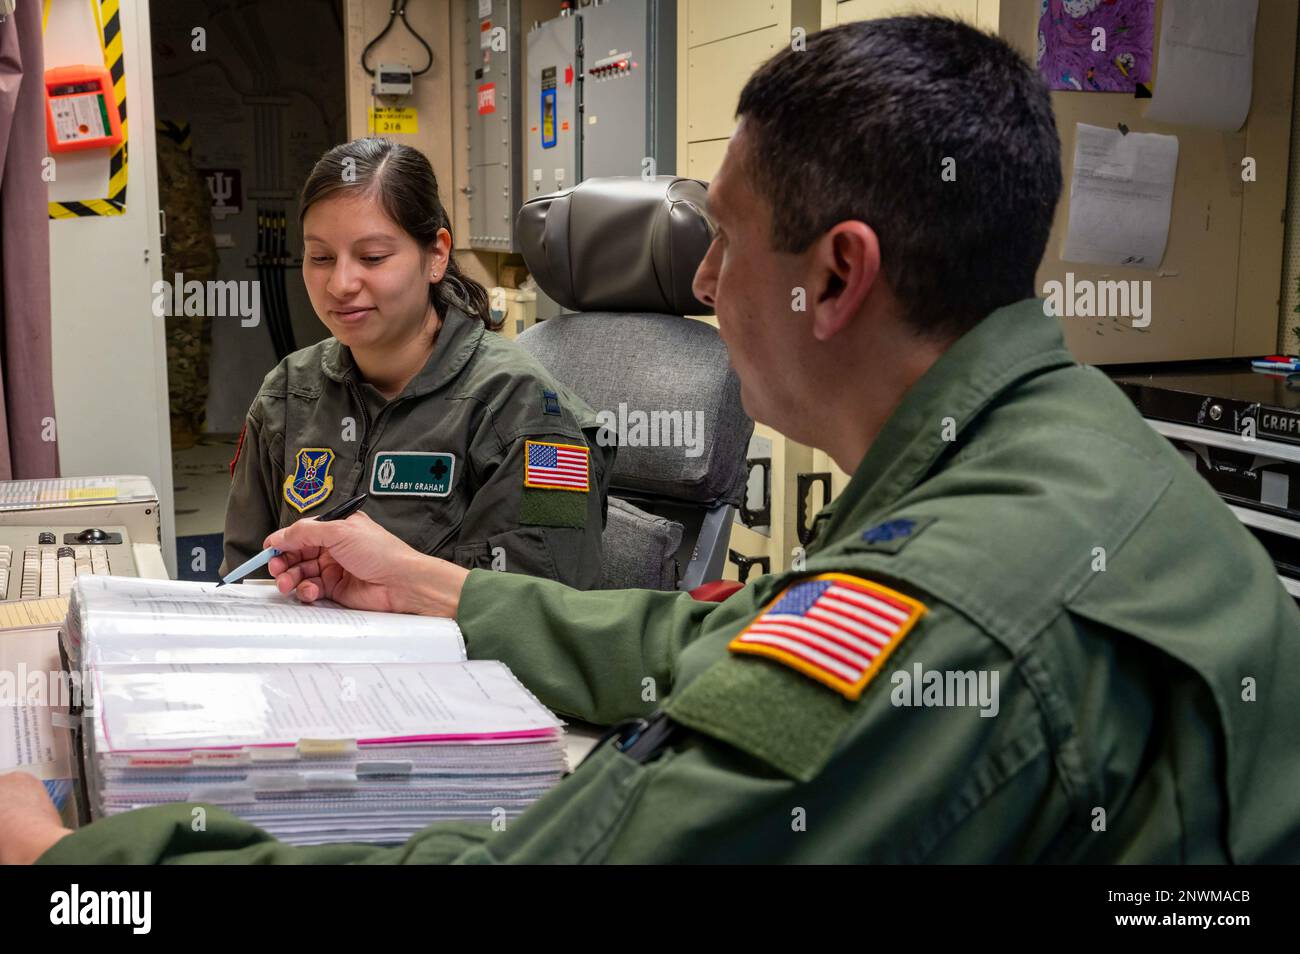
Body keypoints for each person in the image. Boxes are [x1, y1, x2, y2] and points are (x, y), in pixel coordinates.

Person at [4, 16, 1298, 864]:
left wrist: (79, 863)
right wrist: (433, 588)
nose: (702, 285)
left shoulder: (954, 608)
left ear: (837, 275)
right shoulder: (1054, 434)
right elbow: (716, 643)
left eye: (721, 241)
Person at [220, 138, 613, 587]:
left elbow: (542, 609)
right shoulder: (289, 392)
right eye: (321, 257)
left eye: (372, 258)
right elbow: (244, 579)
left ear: (437, 255)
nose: (340, 283)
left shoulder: (528, 414)